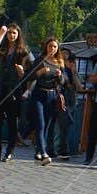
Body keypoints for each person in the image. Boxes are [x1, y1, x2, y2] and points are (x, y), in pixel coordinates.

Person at [0, 23, 31, 162]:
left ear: (18, 35)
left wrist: (22, 72)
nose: (11, 35)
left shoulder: (23, 51)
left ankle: (9, 151)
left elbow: (30, 71)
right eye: (9, 33)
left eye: (14, 33)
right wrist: (1, 34)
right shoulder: (3, 48)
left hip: (13, 89)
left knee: (12, 122)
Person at [24, 37, 65, 165]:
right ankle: (44, 152)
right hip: (39, 95)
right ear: (46, 47)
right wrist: (40, 72)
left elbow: (65, 82)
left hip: (52, 96)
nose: (52, 49)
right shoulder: (40, 60)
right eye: (50, 46)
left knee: (47, 126)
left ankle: (37, 152)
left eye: (54, 47)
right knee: (40, 124)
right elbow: (28, 76)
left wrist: (60, 76)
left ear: (57, 49)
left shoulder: (59, 62)